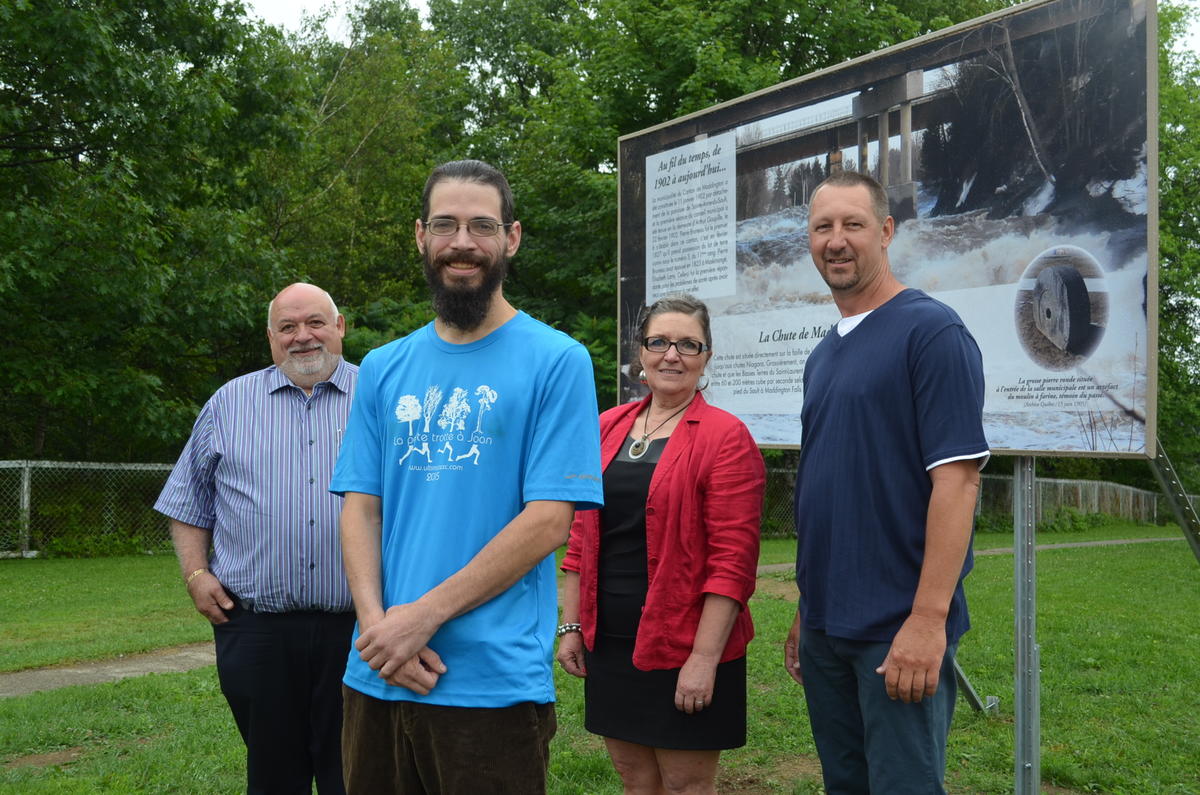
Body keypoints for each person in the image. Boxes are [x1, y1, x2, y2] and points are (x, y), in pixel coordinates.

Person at [330, 159, 603, 794]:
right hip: (377, 673)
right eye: (446, 225)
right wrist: (379, 630)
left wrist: (418, 619)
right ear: (420, 236)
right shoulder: (382, 367)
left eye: (481, 226)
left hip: (491, 684)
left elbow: (547, 521)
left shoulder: (557, 360)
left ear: (511, 238)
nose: (462, 243)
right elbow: (360, 507)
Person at [784, 170, 989, 794]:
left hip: (897, 627)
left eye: (853, 224)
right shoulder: (824, 354)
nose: (836, 241)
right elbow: (833, 487)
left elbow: (957, 485)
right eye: (823, 227)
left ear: (887, 231)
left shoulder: (932, 332)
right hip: (826, 626)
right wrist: (806, 607)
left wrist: (927, 620)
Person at [155, 282, 358, 795]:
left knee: (356, 773)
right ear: (271, 338)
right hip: (257, 630)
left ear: (340, 327)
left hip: (362, 630)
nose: (302, 336)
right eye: (287, 327)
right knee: (273, 777)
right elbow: (187, 501)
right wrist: (196, 574)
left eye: (314, 322)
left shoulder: (382, 398)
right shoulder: (229, 403)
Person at [557, 294, 765, 795]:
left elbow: (732, 564)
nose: (672, 355)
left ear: (706, 357)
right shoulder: (607, 426)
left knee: (686, 784)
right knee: (635, 777)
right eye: (659, 342)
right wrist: (571, 627)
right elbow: (579, 540)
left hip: (684, 643)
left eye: (688, 344)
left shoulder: (727, 437)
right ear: (640, 353)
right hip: (611, 641)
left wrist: (703, 659)